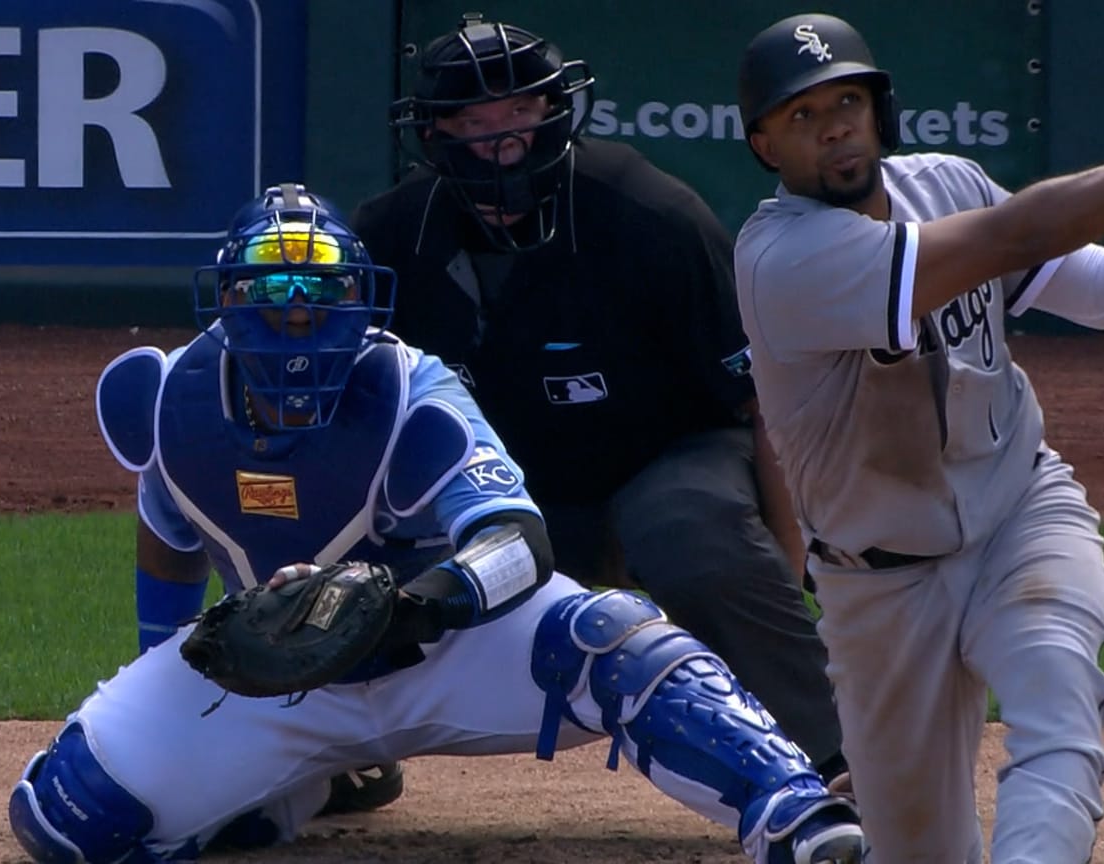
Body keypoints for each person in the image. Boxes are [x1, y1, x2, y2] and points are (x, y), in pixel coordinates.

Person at [6, 183, 868, 864]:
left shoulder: (412, 392)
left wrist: (411, 608)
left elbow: (517, 546)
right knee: (67, 814)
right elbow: (170, 529)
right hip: (278, 666)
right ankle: (299, 787)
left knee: (616, 638)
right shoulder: (165, 396)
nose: (295, 320)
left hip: (443, 648)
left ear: (359, 303)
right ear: (228, 305)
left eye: (319, 298)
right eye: (272, 298)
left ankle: (790, 811)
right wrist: (169, 657)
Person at [731, 12, 1104, 864]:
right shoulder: (782, 258)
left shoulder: (946, 181)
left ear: (881, 111)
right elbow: (1017, 235)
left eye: (847, 100)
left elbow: (1103, 292)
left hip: (1021, 508)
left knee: (1059, 704)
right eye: (800, 116)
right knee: (920, 850)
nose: (833, 125)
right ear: (766, 149)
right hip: (880, 585)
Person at [350, 13, 848, 785]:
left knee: (689, 527)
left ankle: (836, 758)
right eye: (473, 120)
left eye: (519, 111)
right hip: (504, 493)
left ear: (556, 111)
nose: (501, 139)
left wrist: (785, 570)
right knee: (366, 544)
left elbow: (762, 405)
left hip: (664, 458)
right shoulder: (391, 237)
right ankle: (327, 754)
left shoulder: (650, 214)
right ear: (434, 132)